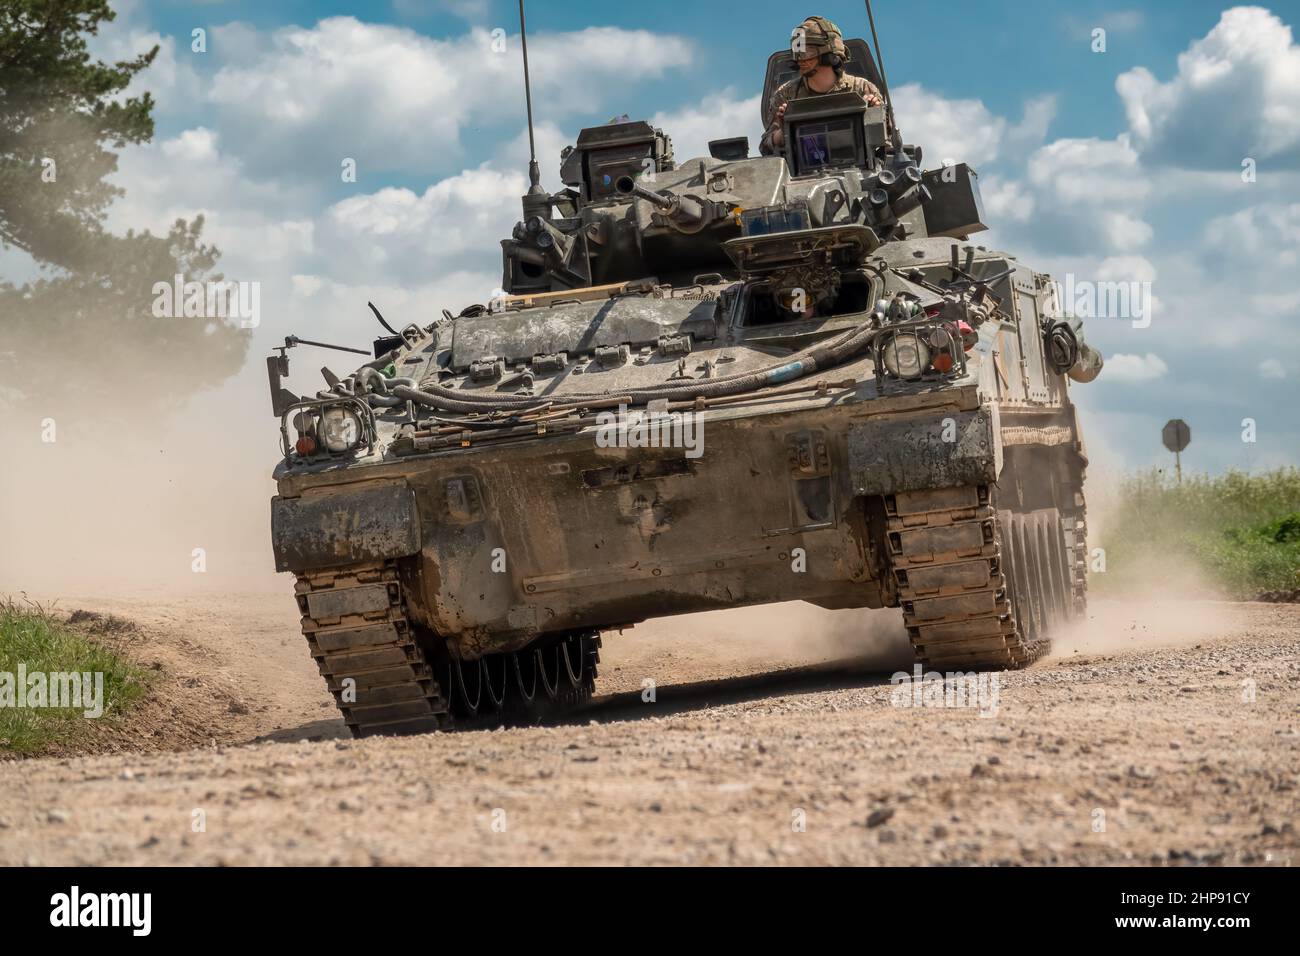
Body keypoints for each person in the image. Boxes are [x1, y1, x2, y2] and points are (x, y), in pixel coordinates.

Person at [761, 16, 883, 154]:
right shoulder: (786, 95)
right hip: (802, 172)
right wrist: (784, 130)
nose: (800, 59)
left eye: (808, 51)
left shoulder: (862, 89)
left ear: (829, 52)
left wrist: (875, 115)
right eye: (797, 52)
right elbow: (765, 147)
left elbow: (889, 143)